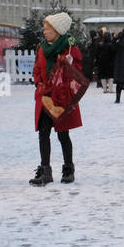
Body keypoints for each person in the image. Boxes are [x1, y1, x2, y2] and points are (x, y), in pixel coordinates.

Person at [31, 11, 83, 186]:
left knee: (62, 134)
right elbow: (37, 68)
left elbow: (76, 70)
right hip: (45, 96)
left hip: (60, 98)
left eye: (48, 29)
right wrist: (38, 82)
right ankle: (45, 170)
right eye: (44, 28)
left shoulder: (70, 48)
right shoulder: (42, 47)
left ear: (58, 30)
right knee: (43, 134)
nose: (45, 32)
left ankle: (68, 168)